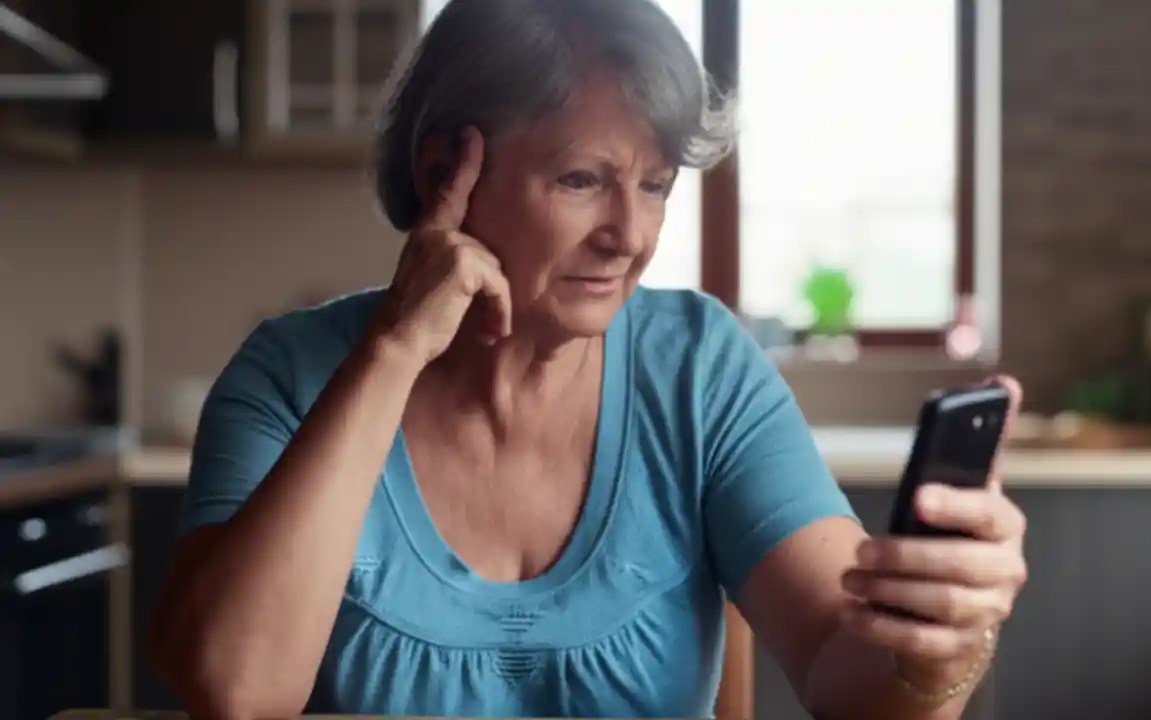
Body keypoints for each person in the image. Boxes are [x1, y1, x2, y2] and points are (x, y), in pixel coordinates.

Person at [148, 0, 1028, 717]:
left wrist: (940, 641)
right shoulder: (287, 374)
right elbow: (235, 691)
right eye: (581, 181)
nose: (630, 236)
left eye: (654, 186)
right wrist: (395, 349)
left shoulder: (701, 370)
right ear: (445, 171)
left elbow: (852, 683)